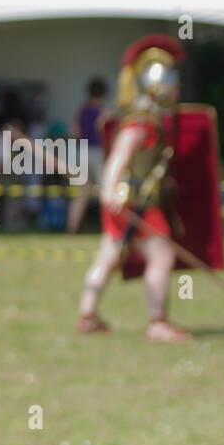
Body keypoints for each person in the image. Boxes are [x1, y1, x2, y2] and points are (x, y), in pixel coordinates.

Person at [76, 36, 191, 342]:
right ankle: (157, 323)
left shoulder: (145, 117)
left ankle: (87, 316)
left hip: (126, 200)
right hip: (135, 201)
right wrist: (111, 188)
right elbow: (119, 156)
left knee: (109, 255)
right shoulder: (143, 119)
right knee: (162, 254)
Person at [66, 77, 108, 232]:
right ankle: (109, 228)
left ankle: (71, 228)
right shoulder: (103, 111)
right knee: (105, 190)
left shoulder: (82, 110)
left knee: (81, 192)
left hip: (80, 151)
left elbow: (74, 131)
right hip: (97, 152)